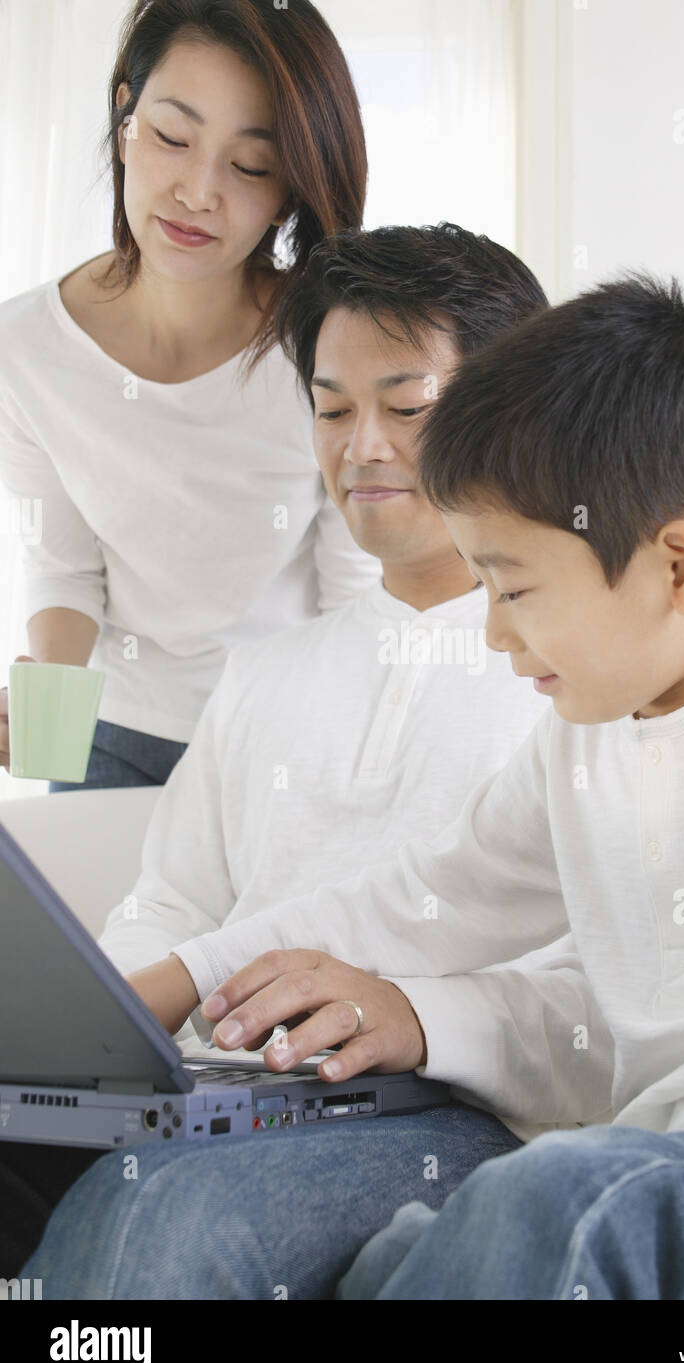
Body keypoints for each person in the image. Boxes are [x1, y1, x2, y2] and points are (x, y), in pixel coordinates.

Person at [19, 273, 684, 1301]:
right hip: (664, 1149)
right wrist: (163, 986)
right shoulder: (578, 749)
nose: (496, 632)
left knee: (564, 1198)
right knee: (409, 1258)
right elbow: (414, 903)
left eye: (512, 588)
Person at [1, 221, 579, 1283]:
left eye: (406, 407)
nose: (362, 445)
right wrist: (104, 1042)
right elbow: (173, 903)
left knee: (175, 1218)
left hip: (444, 1110)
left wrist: (421, 1016)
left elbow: (604, 997)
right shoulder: (266, 673)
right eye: (330, 407)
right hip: (220, 1092)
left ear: (513, 410)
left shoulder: (581, 673)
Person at [0, 0, 379, 792]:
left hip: (285, 732)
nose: (198, 192)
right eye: (172, 138)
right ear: (125, 116)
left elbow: (355, 581)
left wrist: (359, 753)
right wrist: (43, 725)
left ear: (289, 193)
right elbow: (63, 570)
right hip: (114, 729)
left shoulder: (329, 345)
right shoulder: (25, 348)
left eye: (249, 166)